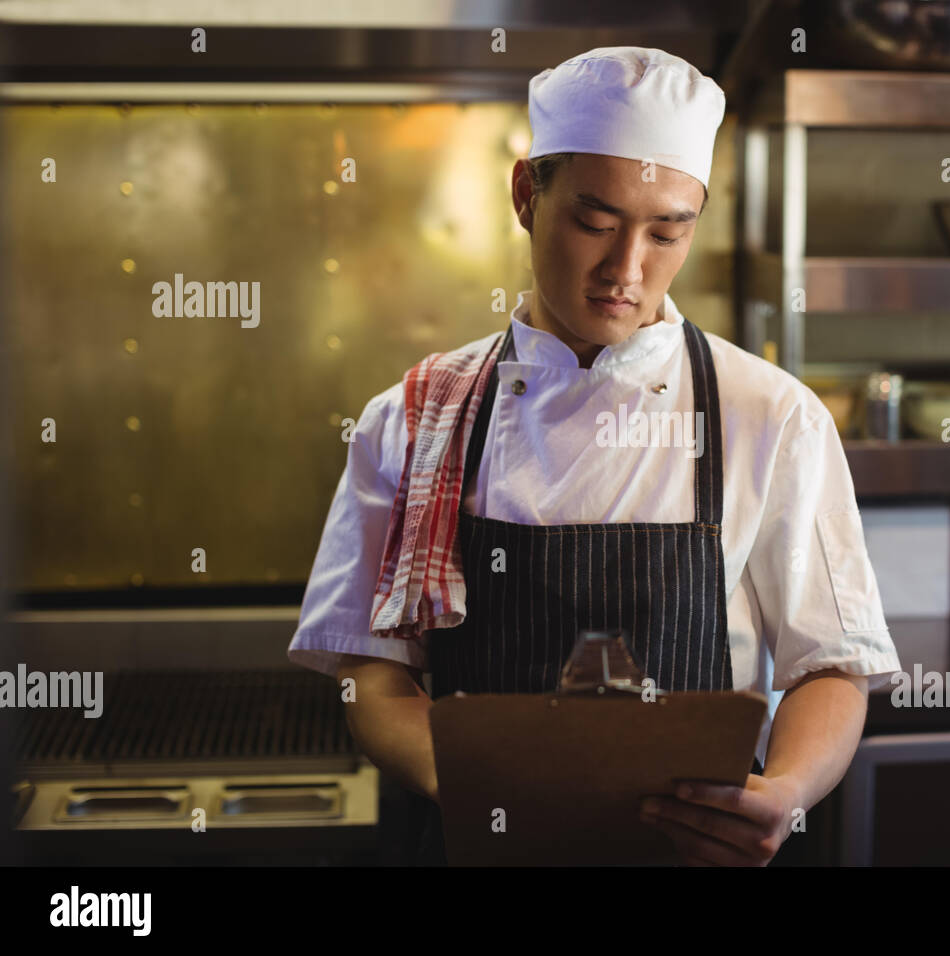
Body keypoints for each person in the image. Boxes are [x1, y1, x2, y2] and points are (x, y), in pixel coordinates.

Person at [288, 46, 901, 867]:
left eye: (666, 232)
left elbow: (831, 664)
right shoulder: (417, 416)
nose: (626, 270)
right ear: (525, 195)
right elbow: (373, 672)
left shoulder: (771, 415)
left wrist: (784, 791)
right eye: (594, 221)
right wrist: (480, 784)